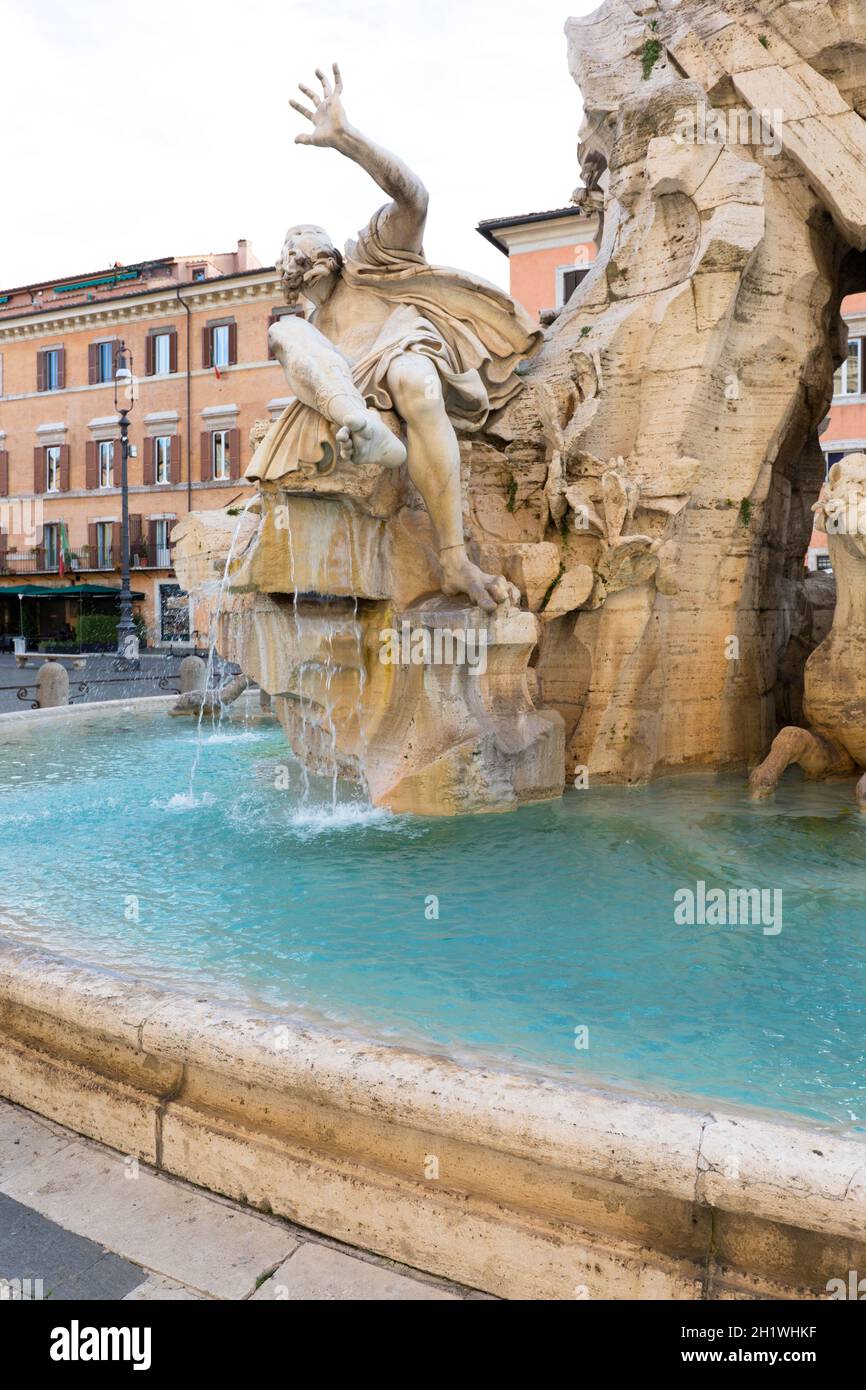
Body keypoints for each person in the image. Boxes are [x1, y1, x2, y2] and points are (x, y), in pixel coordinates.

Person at [247, 64, 541, 611]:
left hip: (407, 363)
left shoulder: (373, 260)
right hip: (344, 392)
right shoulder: (306, 330)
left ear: (332, 252)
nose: (297, 250)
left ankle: (453, 558)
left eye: (308, 241)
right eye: (288, 250)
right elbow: (294, 339)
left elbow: (416, 200)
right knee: (283, 331)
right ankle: (361, 424)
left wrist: (346, 139)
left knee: (412, 374)